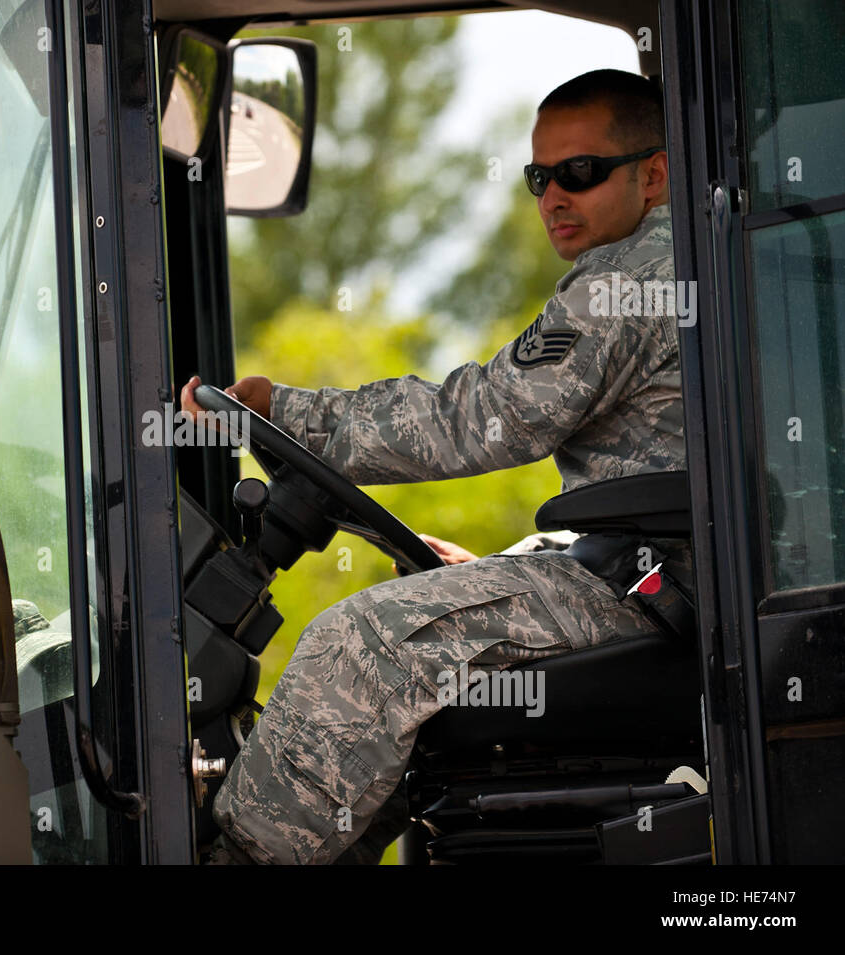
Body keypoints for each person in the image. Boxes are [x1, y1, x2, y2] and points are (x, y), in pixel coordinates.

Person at [180, 69, 693, 864]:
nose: (553, 196)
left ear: (653, 173)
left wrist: (294, 415)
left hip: (654, 590)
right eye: (539, 177)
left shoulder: (634, 279)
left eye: (580, 173)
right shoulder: (667, 266)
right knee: (406, 639)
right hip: (644, 577)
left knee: (361, 647)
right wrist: (514, 563)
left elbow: (485, 418)